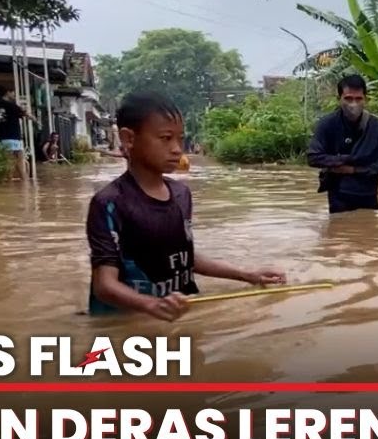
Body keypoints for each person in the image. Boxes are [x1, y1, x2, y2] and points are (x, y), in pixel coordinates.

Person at [86, 91, 286, 322]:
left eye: (180, 139)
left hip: (180, 314)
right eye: (165, 138)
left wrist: (248, 275)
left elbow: (184, 258)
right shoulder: (108, 204)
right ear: (129, 139)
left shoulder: (181, 194)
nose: (177, 149)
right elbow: (104, 285)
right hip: (129, 326)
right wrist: (150, 304)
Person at [308, 74, 378, 214]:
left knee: (370, 232)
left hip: (369, 195)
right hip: (338, 197)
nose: (353, 104)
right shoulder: (327, 125)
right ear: (339, 99)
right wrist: (344, 159)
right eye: (348, 98)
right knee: (339, 232)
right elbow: (313, 157)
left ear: (365, 99)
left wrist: (353, 169)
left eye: (358, 98)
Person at [0, 85, 26, 181]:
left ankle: (8, 185)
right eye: (13, 92)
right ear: (8, 92)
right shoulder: (11, 105)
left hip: (2, 137)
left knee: (8, 163)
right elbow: (24, 113)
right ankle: (25, 185)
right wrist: (35, 120)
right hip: (13, 136)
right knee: (18, 162)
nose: (14, 94)